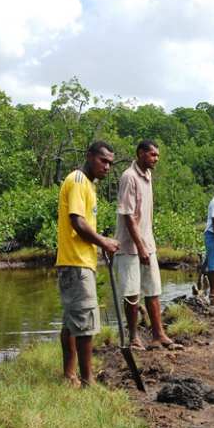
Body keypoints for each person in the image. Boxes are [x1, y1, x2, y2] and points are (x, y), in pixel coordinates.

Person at [55, 141, 120, 388]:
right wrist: (104, 241)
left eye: (110, 163)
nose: (107, 167)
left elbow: (85, 227)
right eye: (103, 161)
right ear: (89, 156)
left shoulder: (89, 185)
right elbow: (77, 222)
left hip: (80, 261)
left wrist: (100, 245)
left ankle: (69, 375)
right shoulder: (78, 181)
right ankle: (88, 380)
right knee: (84, 326)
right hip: (76, 263)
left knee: (72, 322)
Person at [115, 140, 181, 350]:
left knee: (153, 290)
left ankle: (158, 335)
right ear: (141, 154)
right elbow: (128, 216)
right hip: (129, 247)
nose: (156, 159)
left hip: (147, 244)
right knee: (132, 293)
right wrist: (140, 247)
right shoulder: (129, 177)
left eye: (157, 155)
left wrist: (147, 245)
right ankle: (134, 338)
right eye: (153, 155)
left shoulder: (148, 175)